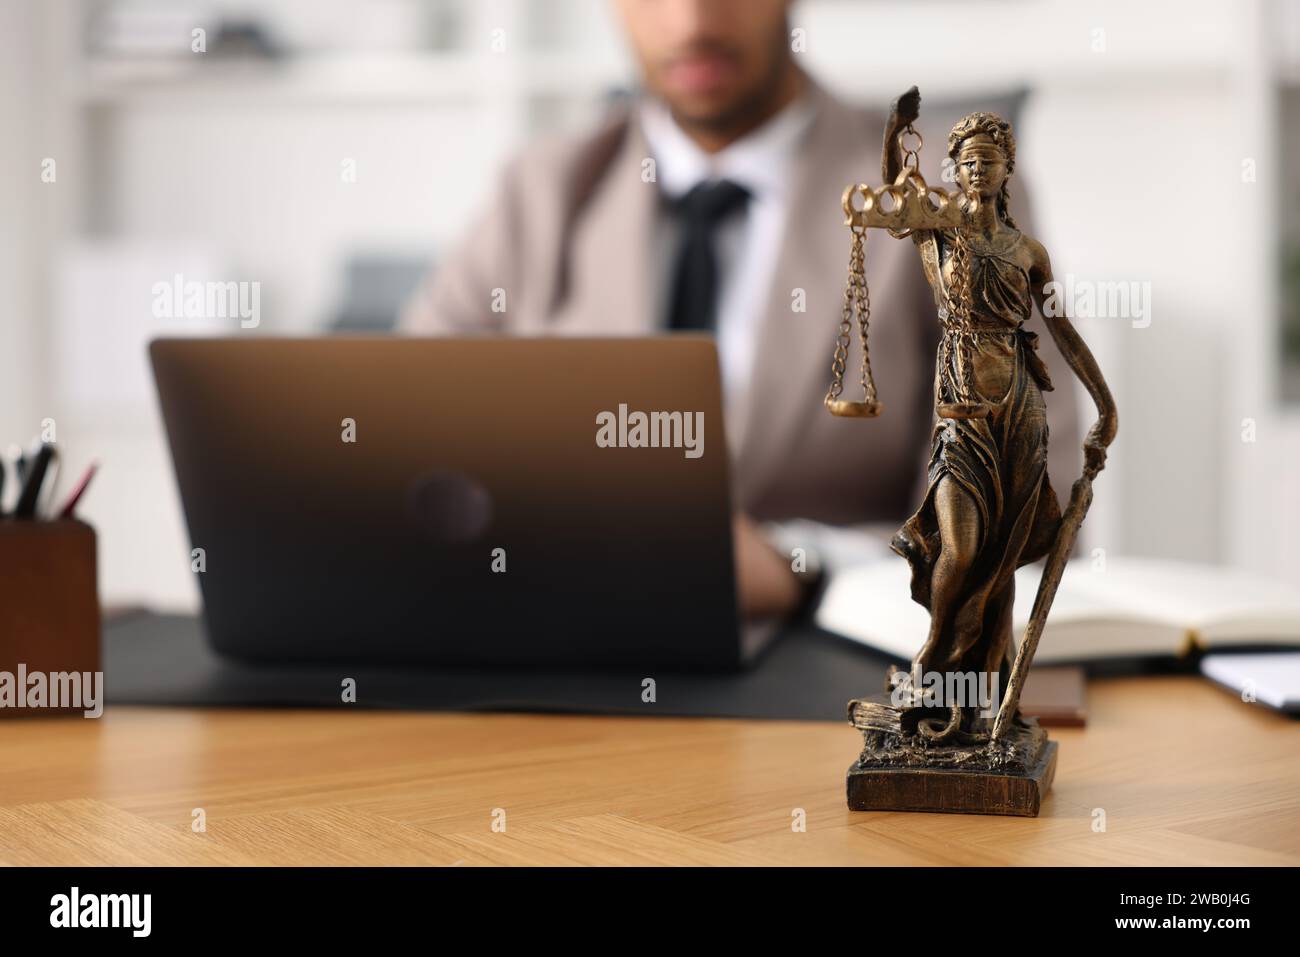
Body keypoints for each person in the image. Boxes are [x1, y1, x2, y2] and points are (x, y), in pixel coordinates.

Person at [402, 0, 1080, 622]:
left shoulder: (944, 200)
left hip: (819, 675)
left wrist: (799, 564)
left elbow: (1020, 505)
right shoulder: (542, 188)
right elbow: (404, 439)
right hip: (564, 646)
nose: (692, 21)